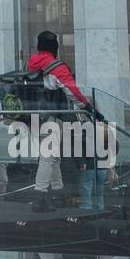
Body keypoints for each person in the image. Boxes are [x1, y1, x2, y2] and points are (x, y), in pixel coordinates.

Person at [25, 30, 89, 212]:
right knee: (48, 158)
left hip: (33, 117)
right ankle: (40, 199)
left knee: (54, 158)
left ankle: (58, 195)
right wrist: (86, 105)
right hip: (51, 117)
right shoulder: (57, 67)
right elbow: (72, 91)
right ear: (55, 48)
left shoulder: (30, 65)